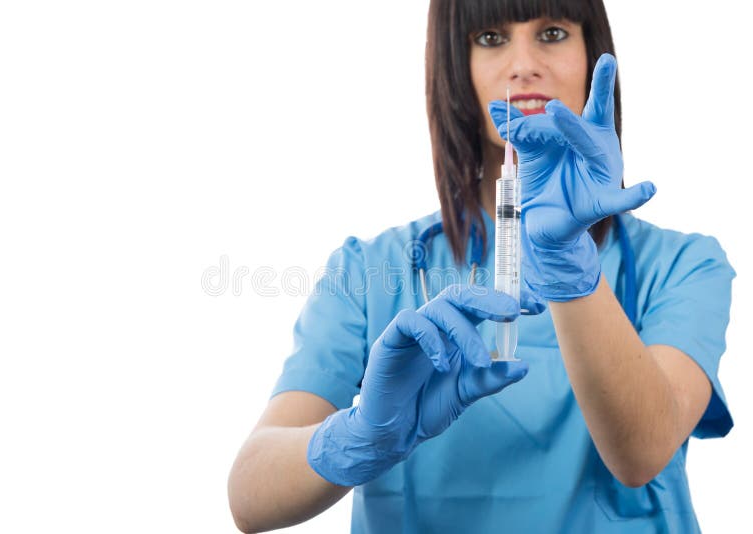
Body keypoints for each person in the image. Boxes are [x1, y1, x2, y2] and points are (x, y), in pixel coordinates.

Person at [228, 0, 735, 532]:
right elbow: (249, 495)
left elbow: (643, 454)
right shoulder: (371, 270)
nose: (524, 64)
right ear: (455, 66)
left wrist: (565, 261)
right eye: (491, 38)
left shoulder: (682, 265)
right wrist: (358, 439)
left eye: (554, 32)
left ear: (593, 53)